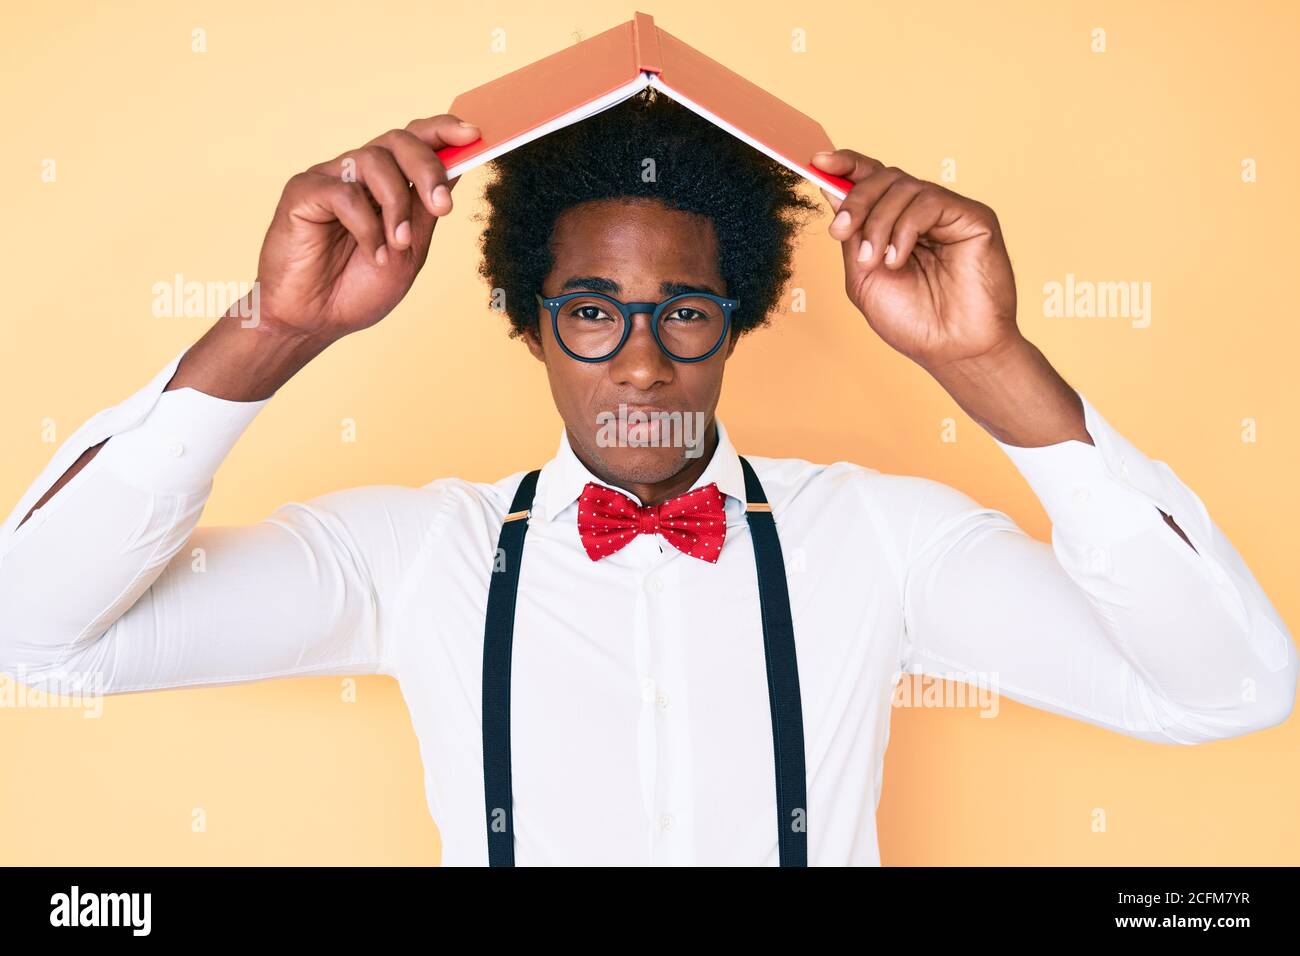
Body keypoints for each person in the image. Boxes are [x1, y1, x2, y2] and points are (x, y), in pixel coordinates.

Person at [0, 89, 1294, 866]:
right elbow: (39, 636)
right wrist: (277, 329)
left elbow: (1228, 691)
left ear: (736, 319)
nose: (639, 364)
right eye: (589, 312)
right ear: (529, 319)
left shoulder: (882, 542)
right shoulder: (418, 557)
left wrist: (992, 362)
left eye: (684, 312)